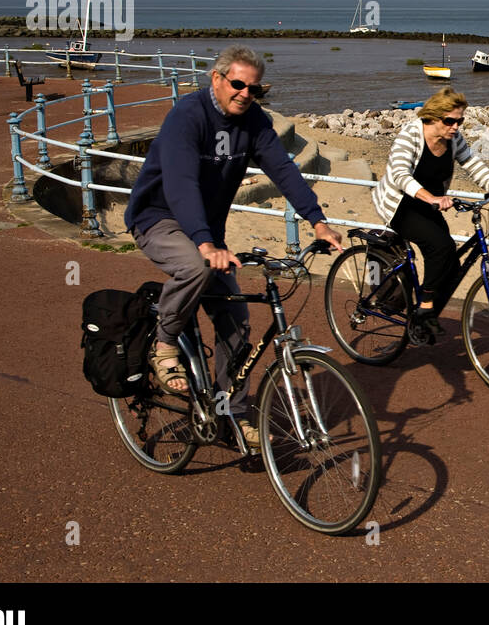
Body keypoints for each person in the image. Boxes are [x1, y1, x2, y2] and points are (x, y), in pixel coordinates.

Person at [123, 45, 342, 449]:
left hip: (207, 230)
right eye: (237, 84)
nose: (245, 94)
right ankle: (165, 342)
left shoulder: (254, 121)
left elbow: (283, 170)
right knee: (195, 266)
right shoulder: (187, 117)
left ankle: (234, 414)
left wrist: (318, 220)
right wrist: (205, 243)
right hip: (160, 218)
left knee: (236, 324)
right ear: (217, 79)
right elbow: (181, 184)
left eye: (254, 89)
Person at [371, 87, 489, 334]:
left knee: (450, 263)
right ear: (433, 117)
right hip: (400, 204)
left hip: (430, 202)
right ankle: (424, 308)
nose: (456, 126)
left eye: (460, 120)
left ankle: (422, 313)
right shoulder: (411, 136)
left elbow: (471, 163)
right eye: (450, 121)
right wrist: (431, 198)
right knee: (441, 247)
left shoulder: (453, 139)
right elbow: (400, 175)